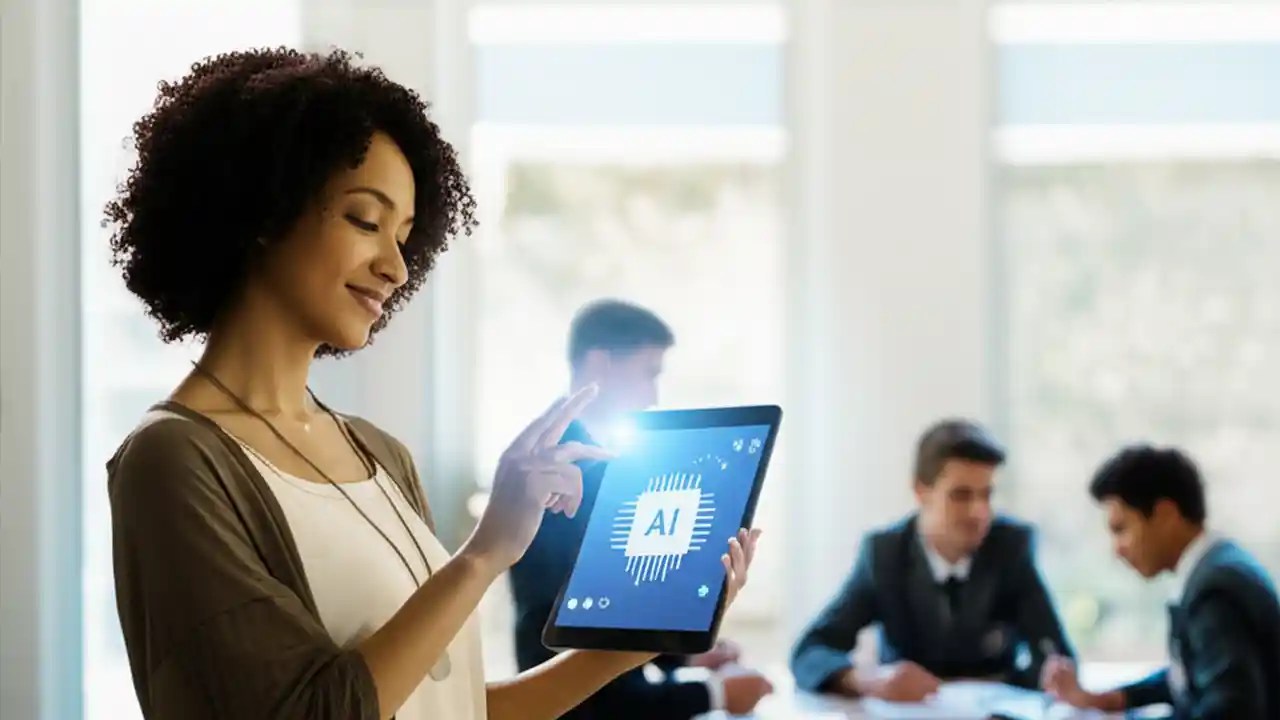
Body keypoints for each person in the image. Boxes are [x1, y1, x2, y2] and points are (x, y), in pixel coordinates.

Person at [104, 48, 761, 720]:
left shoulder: (377, 453)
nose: (393, 266)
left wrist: (651, 634)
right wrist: (484, 555)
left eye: (406, 236)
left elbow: (454, 711)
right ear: (264, 210)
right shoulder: (173, 460)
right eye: (365, 220)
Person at [508, 299, 774, 719]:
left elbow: (617, 623)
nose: (654, 395)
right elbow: (581, 665)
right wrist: (714, 696)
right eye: (649, 373)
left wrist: (684, 657)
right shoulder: (553, 475)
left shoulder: (608, 469)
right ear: (600, 364)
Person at [790, 419, 1073, 701]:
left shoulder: (1012, 547)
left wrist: (1014, 688)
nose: (979, 512)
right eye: (961, 495)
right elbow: (811, 651)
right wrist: (869, 680)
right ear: (921, 491)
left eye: (986, 495)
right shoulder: (884, 553)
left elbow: (1056, 657)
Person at [1042, 445, 1280, 719]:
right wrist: (1108, 700)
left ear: (1165, 514)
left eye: (1121, 529)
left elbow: (1228, 711)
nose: (1116, 549)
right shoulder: (1213, 567)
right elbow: (1191, 676)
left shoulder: (1216, 590)